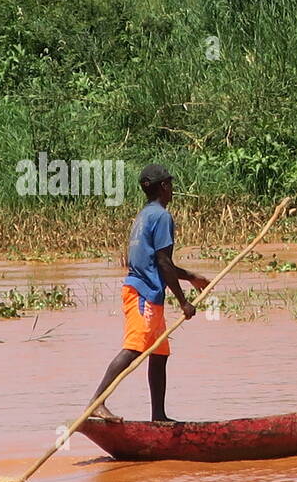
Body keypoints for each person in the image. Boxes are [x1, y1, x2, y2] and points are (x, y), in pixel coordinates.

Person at [88, 164, 208, 422]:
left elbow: (156, 260)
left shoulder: (145, 215)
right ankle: (97, 402)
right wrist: (184, 302)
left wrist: (190, 278)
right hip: (143, 293)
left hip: (147, 292)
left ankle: (158, 415)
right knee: (134, 348)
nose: (172, 189)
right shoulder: (162, 217)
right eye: (170, 184)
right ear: (164, 187)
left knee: (159, 353)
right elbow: (163, 263)